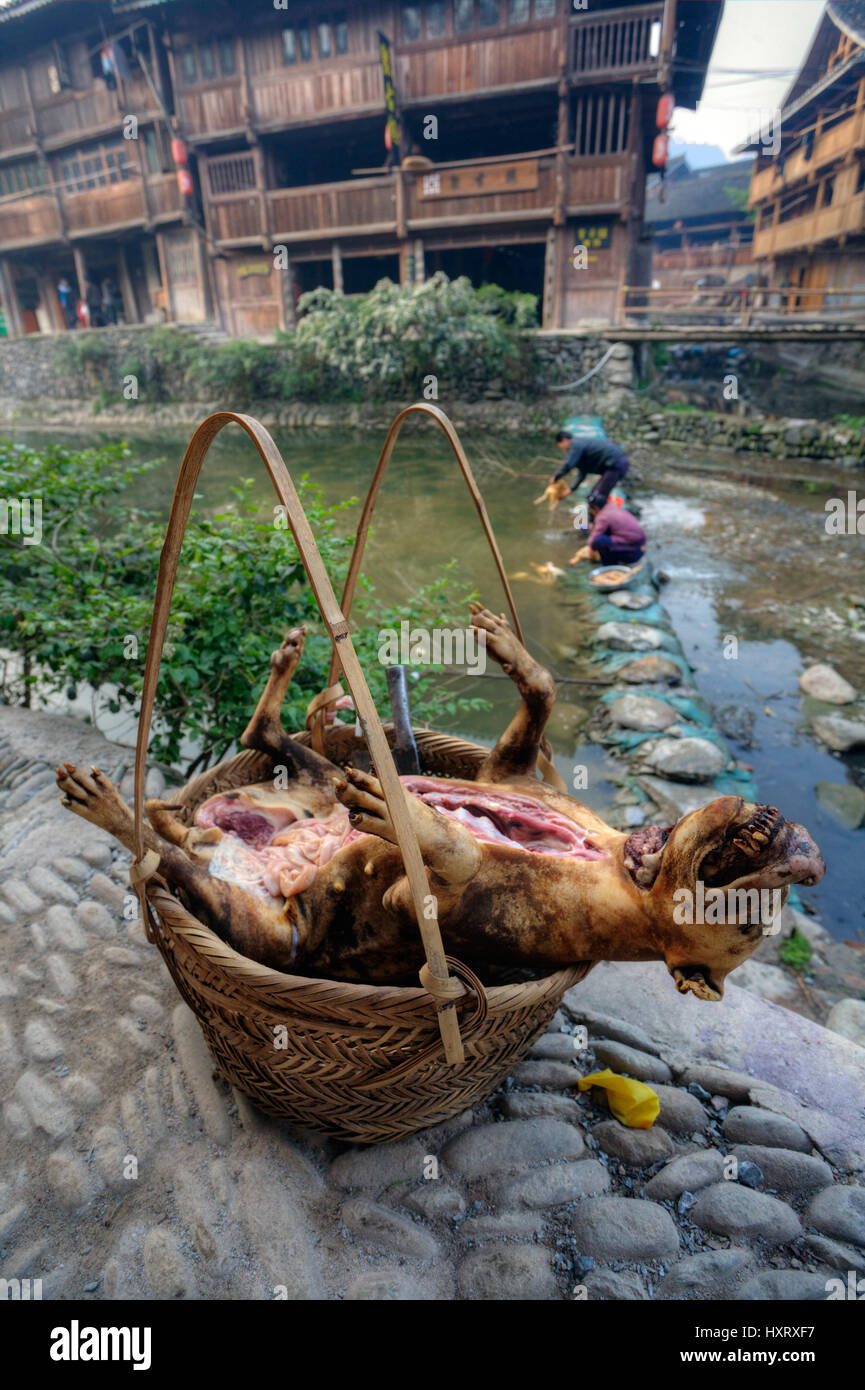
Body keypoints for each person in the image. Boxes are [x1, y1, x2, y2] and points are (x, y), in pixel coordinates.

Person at [549, 429, 630, 509]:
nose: (564, 450)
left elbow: (568, 464)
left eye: (561, 447)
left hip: (616, 463)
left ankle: (599, 520)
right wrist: (570, 490)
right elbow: (582, 473)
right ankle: (595, 519)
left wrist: (556, 477)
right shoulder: (580, 448)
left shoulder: (575, 444)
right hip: (615, 465)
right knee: (593, 496)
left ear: (564, 440)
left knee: (596, 497)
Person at [570, 497, 646, 567]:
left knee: (599, 540)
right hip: (639, 544)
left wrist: (591, 552)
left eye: (591, 510)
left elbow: (594, 538)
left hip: (633, 551)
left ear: (596, 508)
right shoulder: (611, 507)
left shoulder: (603, 516)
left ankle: (609, 564)